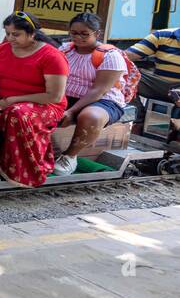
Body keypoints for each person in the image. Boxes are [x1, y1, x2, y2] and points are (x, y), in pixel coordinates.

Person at [0, 11, 68, 187]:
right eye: (7, 33)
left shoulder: (52, 56)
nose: (10, 38)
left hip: (44, 105)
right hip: (2, 100)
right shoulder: (0, 50)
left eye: (16, 34)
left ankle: (22, 171)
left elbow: (54, 96)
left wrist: (12, 100)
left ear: (32, 33)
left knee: (17, 113)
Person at [53, 12, 131, 176]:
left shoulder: (111, 56)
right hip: (68, 95)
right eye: (74, 33)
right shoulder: (65, 49)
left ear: (97, 34)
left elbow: (99, 90)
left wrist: (71, 111)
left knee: (90, 116)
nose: (78, 37)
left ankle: (70, 156)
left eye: (84, 34)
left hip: (103, 100)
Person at [125, 27, 180, 102]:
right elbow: (126, 56)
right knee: (122, 76)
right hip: (157, 84)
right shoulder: (162, 35)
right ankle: (137, 111)